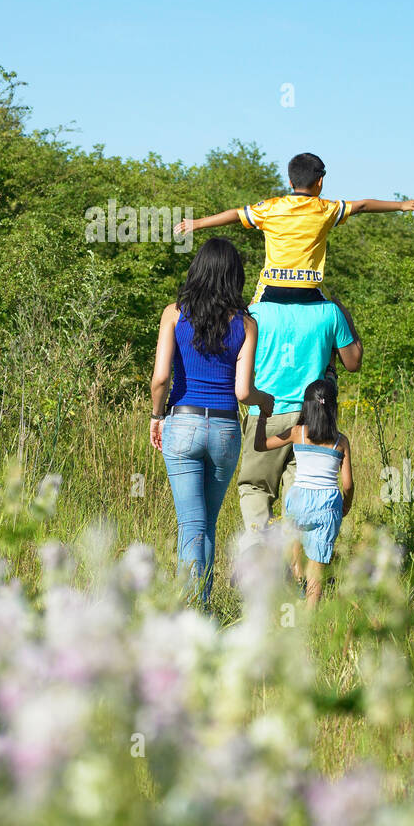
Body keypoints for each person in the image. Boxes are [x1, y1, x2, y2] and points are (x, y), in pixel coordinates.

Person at [150, 238, 274, 603]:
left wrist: (156, 417)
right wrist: (265, 402)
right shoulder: (247, 324)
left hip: (182, 423)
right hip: (224, 430)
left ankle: (188, 613)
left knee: (192, 525)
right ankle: (200, 608)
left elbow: (160, 379)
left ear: (198, 270)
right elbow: (243, 392)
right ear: (233, 276)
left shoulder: (174, 314)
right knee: (207, 525)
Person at [174, 152, 414, 303]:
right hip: (310, 289)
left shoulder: (271, 207)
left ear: (290, 181)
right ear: (320, 181)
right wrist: (402, 205)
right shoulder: (325, 208)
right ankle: (330, 373)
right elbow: (361, 206)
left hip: (272, 289)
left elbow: (235, 214)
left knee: (246, 325)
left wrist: (197, 223)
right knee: (338, 316)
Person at [238, 289, 361, 535]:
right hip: (313, 416)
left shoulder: (256, 313)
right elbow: (353, 361)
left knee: (256, 488)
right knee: (299, 491)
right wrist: (339, 305)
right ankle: (297, 562)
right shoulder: (329, 312)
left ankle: (257, 557)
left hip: (266, 411)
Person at [252, 378, 354, 608]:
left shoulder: (298, 433)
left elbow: (260, 445)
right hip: (327, 504)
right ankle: (309, 617)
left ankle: (297, 581)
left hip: (299, 500)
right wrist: (346, 505)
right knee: (317, 568)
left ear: (307, 406)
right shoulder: (340, 441)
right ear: (333, 408)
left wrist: (262, 416)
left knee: (294, 545)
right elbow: (347, 484)